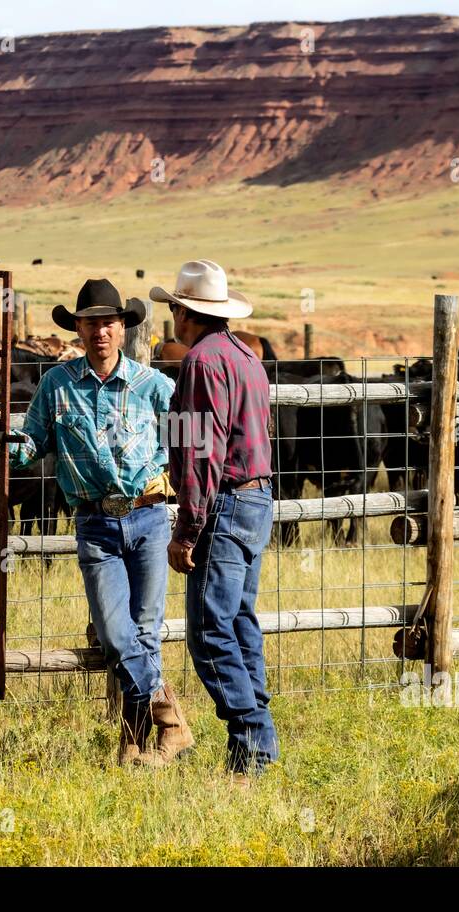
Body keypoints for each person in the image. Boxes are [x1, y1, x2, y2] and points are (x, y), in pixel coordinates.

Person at [0, 278, 193, 767]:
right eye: (91, 322)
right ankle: (171, 719)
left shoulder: (154, 386)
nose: (100, 331)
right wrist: (1, 433)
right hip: (95, 522)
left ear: (123, 329)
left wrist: (182, 492)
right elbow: (32, 443)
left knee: (145, 630)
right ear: (78, 328)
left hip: (149, 517)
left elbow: (190, 440)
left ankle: (136, 745)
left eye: (108, 323)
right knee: (117, 634)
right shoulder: (58, 384)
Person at [152, 260, 279, 781]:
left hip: (224, 503)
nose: (173, 317)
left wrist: (187, 528)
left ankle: (252, 741)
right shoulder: (247, 356)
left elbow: (202, 452)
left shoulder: (202, 363)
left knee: (208, 632)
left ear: (185, 312)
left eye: (175, 307)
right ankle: (258, 742)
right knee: (239, 622)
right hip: (256, 498)